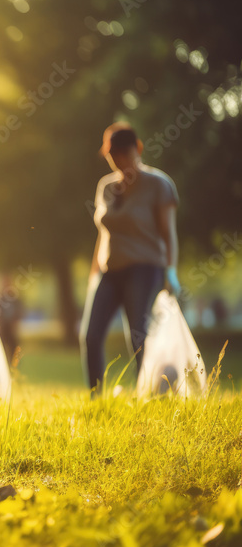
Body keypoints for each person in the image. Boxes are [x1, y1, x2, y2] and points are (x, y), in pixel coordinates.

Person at [82, 122, 180, 395]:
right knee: (90, 335)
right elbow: (104, 234)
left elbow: (168, 233)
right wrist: (94, 271)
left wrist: (170, 271)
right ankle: (96, 397)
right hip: (110, 271)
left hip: (145, 267)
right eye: (113, 155)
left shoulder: (159, 185)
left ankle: (150, 393)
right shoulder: (107, 187)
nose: (120, 161)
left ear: (137, 149)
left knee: (138, 335)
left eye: (124, 154)